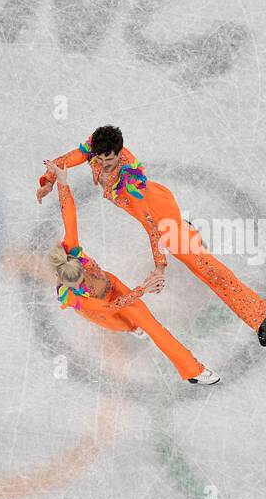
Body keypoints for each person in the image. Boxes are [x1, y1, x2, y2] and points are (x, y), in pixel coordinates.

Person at [36, 124, 266, 349]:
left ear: (119, 152)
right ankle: (190, 235)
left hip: (162, 219)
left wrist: (160, 265)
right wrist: (48, 180)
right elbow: (74, 156)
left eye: (108, 159)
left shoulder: (131, 183)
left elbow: (152, 226)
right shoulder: (98, 146)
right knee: (199, 260)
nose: (103, 163)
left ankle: (262, 314)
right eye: (99, 158)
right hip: (161, 202)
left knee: (208, 270)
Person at [45, 159, 220, 385]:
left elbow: (69, 215)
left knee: (153, 327)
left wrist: (62, 183)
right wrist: (143, 289)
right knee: (125, 325)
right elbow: (110, 307)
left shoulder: (72, 249)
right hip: (104, 311)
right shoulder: (78, 300)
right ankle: (133, 328)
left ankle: (192, 370)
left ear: (77, 262)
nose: (82, 282)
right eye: (77, 283)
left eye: (81, 275)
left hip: (115, 287)